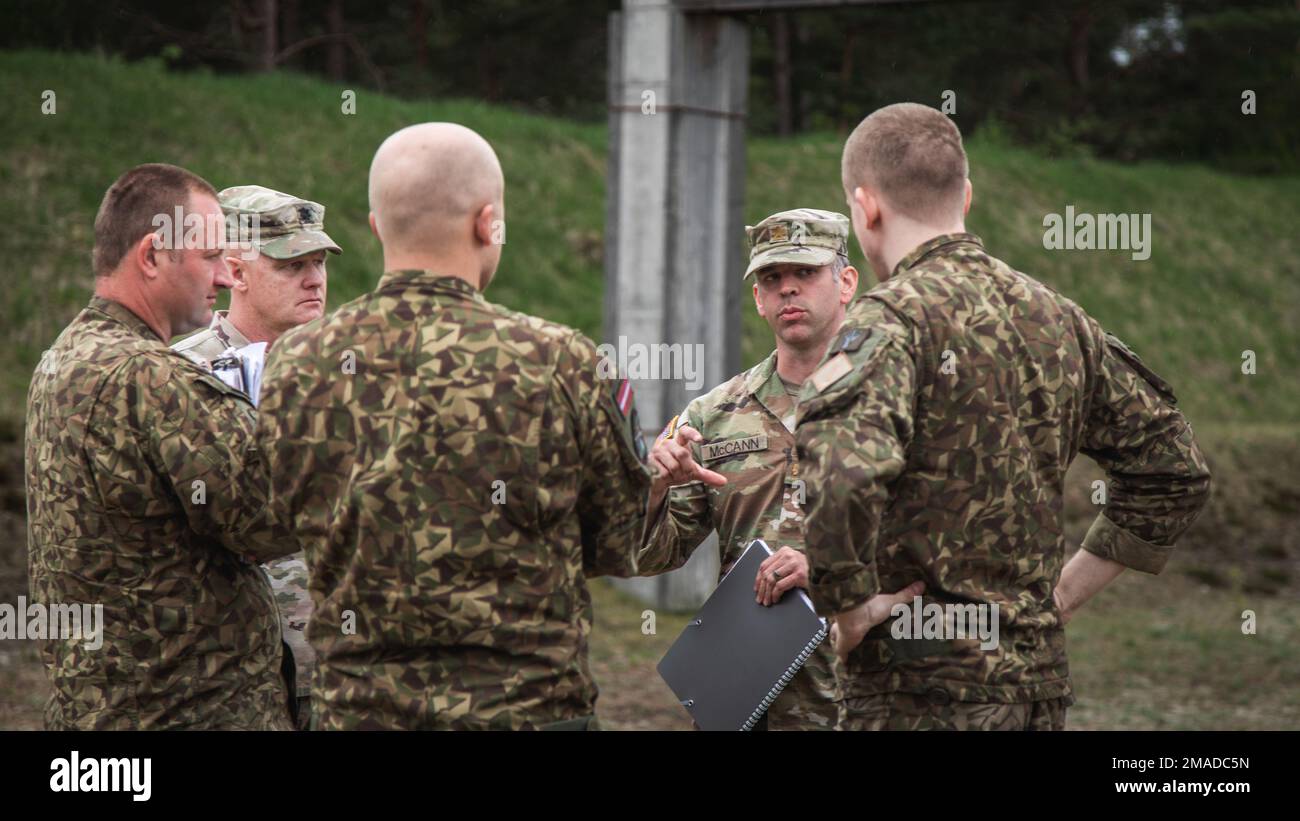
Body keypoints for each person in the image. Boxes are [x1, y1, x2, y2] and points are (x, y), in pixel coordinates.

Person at [795, 103, 1212, 730]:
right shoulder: (1060, 320)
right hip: (1036, 692)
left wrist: (849, 610)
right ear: (966, 197)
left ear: (866, 207)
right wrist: (1062, 597)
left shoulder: (890, 322)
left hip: (916, 695)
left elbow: (840, 477)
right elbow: (1174, 470)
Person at [254, 123, 654, 730]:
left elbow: (283, 520)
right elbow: (619, 541)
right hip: (527, 714)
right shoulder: (562, 361)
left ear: (376, 226)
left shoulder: (295, 365)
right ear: (487, 222)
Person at [25, 163, 297, 729]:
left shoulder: (64, 355)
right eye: (211, 257)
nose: (225, 277)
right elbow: (274, 519)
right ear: (151, 256)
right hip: (186, 711)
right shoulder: (150, 378)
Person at [637, 209, 858, 730]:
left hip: (865, 704)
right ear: (758, 299)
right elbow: (652, 556)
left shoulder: (894, 401)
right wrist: (652, 491)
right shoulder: (711, 416)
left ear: (845, 282)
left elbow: (942, 550)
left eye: (804, 274)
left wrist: (828, 568)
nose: (788, 290)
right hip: (746, 703)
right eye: (771, 278)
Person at [172, 184, 342, 730]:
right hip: (230, 672)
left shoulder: (353, 369)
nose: (315, 279)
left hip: (343, 668)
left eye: (319, 262)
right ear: (237, 272)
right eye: (293, 265)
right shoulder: (177, 374)